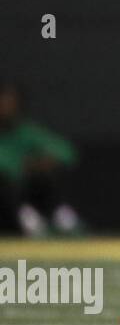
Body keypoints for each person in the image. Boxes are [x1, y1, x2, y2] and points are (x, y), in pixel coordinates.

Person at [0, 80, 82, 237]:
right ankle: (29, 221)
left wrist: (47, 160)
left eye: (10, 102)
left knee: (43, 179)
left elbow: (67, 152)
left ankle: (61, 220)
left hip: (31, 193)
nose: (5, 108)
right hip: (6, 201)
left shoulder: (28, 131)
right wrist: (22, 165)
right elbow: (9, 167)